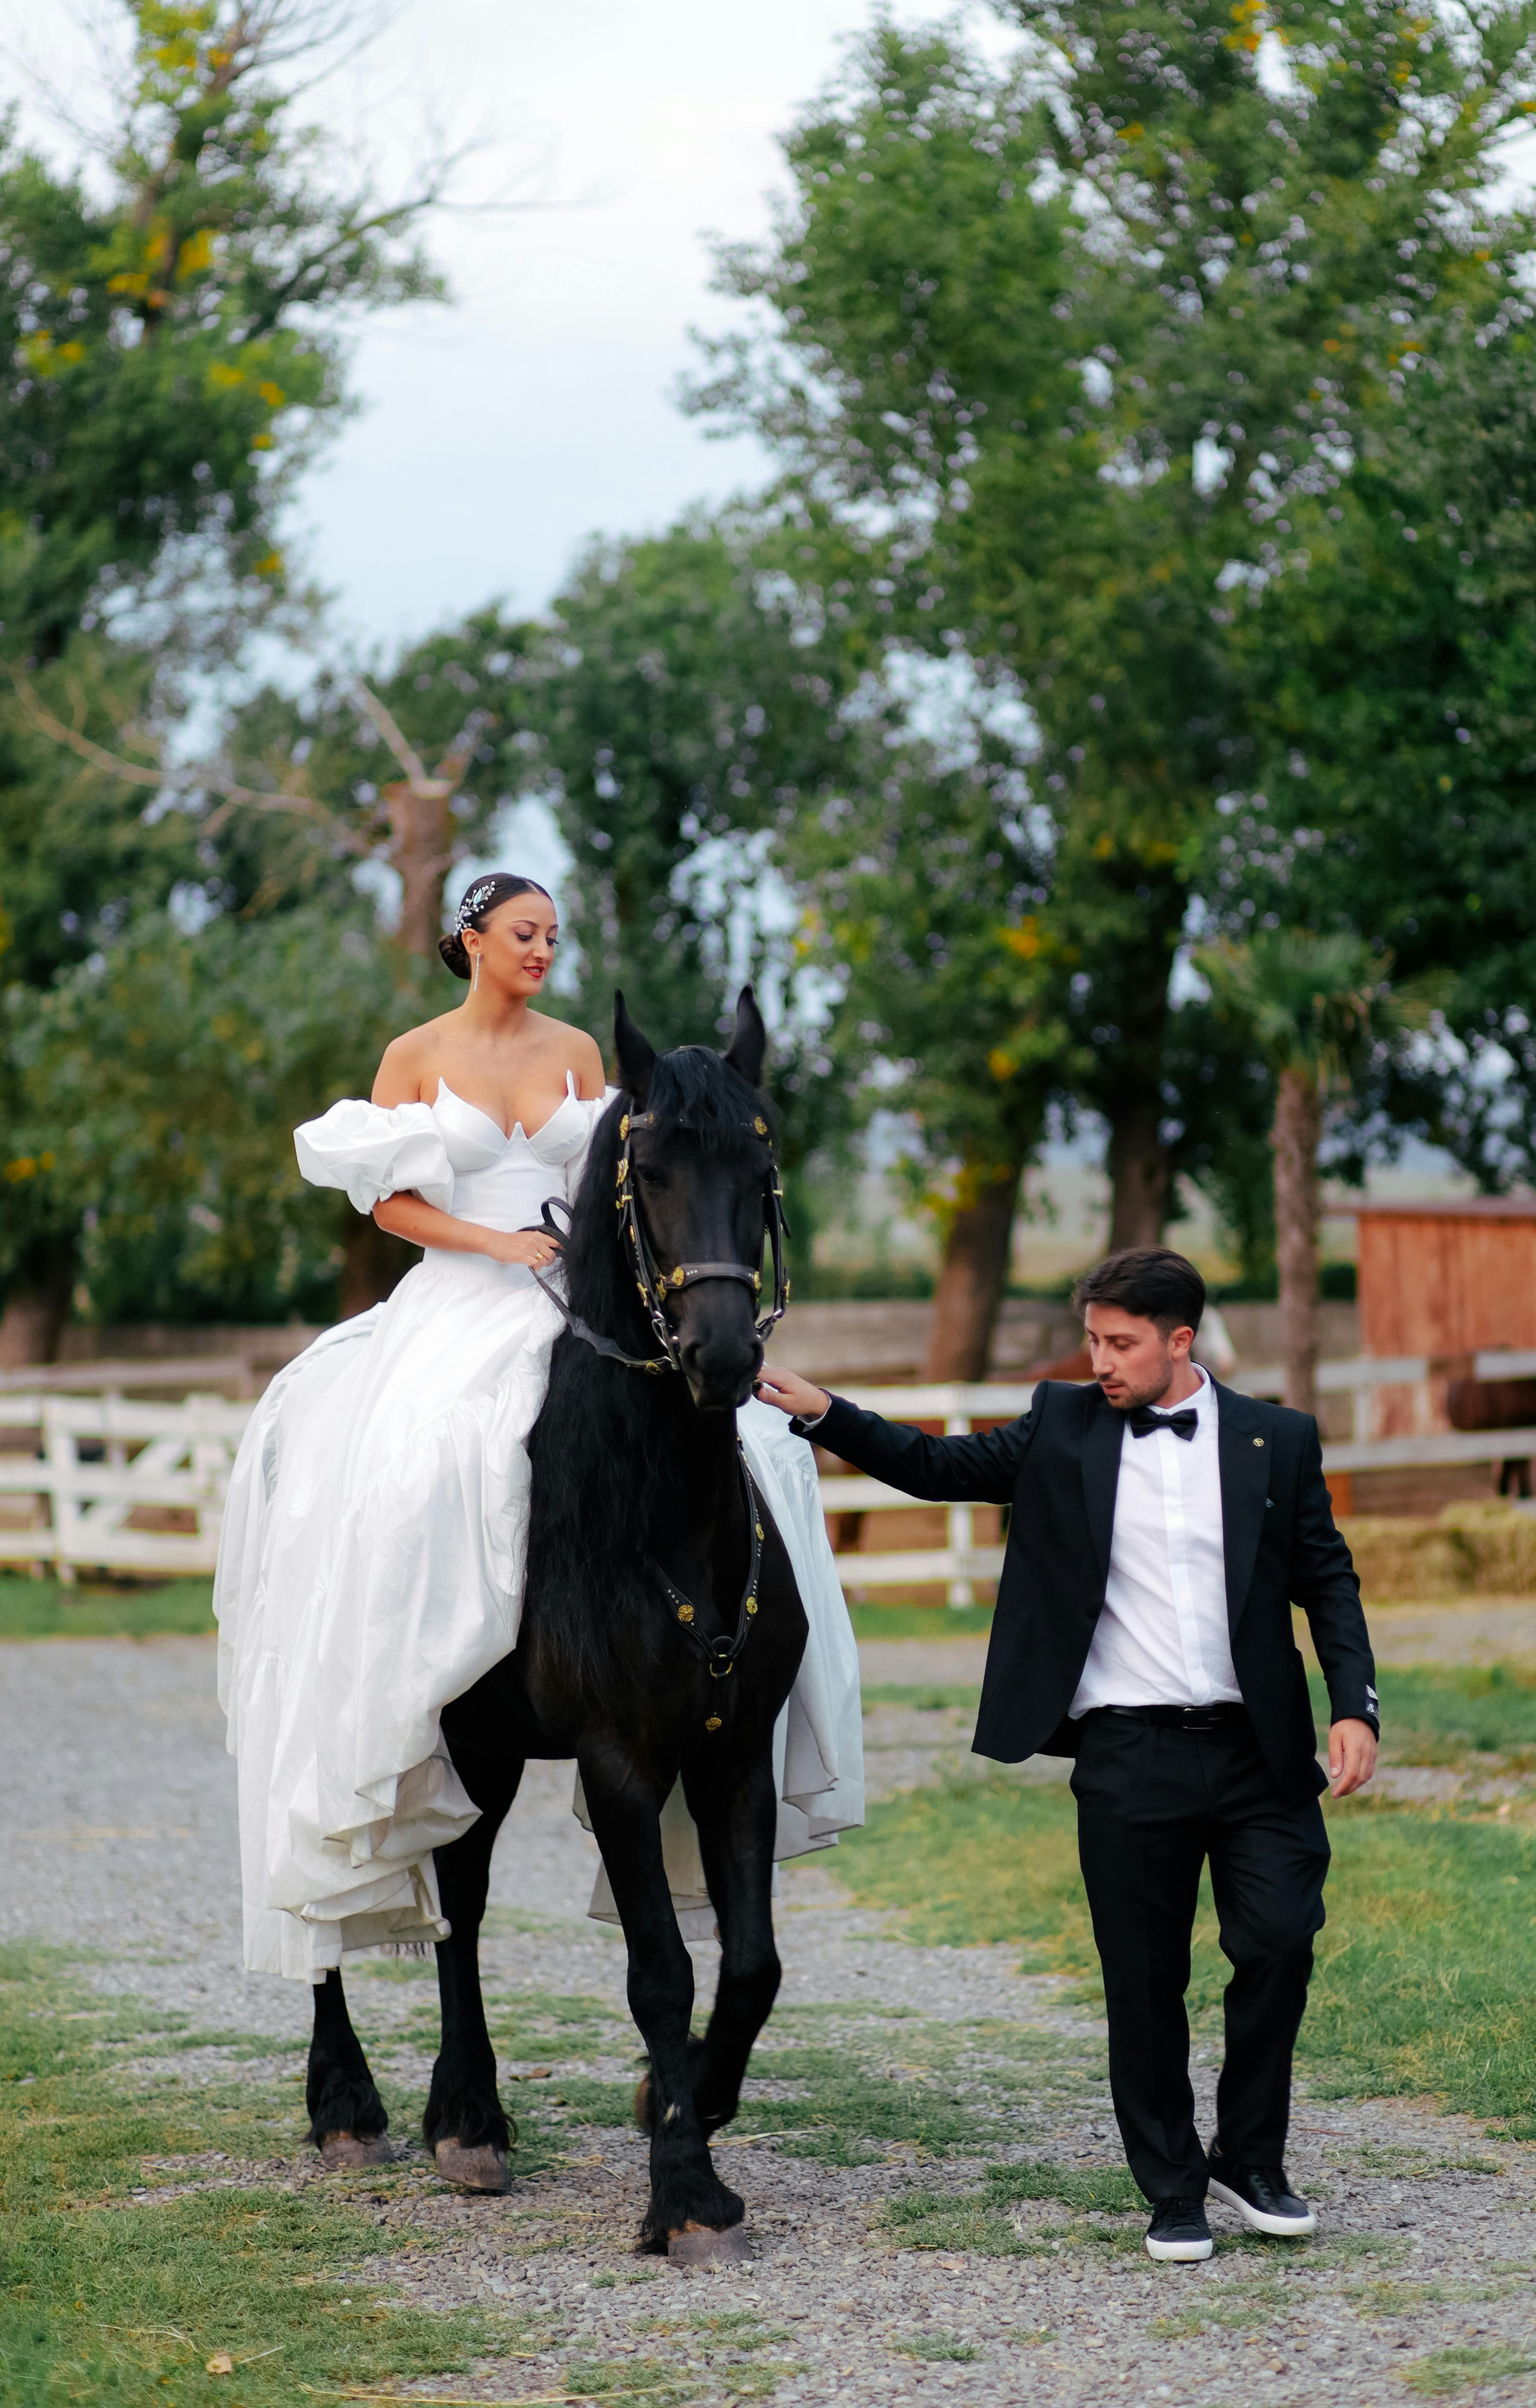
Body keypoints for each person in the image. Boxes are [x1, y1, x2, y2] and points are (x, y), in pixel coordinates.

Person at [214, 872, 861, 1983]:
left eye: (553, 935)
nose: (542, 950)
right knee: (427, 1462)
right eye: (523, 932)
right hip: (462, 1291)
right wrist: (492, 1241)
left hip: (581, 1294)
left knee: (754, 1451)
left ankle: (744, 1669)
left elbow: (620, 1179)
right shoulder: (416, 1054)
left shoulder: (576, 1049)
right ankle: (417, 1681)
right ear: (470, 938)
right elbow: (386, 1203)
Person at [757, 1243, 1378, 2266]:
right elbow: (939, 1467)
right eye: (1093, 1338)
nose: (1101, 1359)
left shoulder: (1279, 1438)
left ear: (1181, 1340)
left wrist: (1355, 1706)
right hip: (1129, 1753)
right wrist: (829, 1413)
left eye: (1122, 1342)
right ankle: (1172, 2187)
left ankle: (1251, 2156)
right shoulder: (1063, 1422)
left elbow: (1329, 1579)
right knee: (1143, 1979)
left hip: (1259, 1753)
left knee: (1280, 1942)